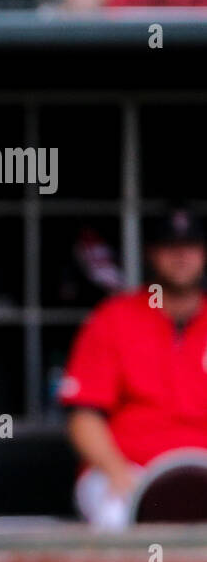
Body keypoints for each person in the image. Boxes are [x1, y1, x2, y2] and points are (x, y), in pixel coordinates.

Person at [59, 208, 207, 530]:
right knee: (116, 517)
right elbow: (84, 416)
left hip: (204, 468)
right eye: (170, 247)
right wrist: (116, 471)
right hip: (130, 470)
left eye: (191, 246)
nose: (181, 256)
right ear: (151, 253)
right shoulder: (115, 318)